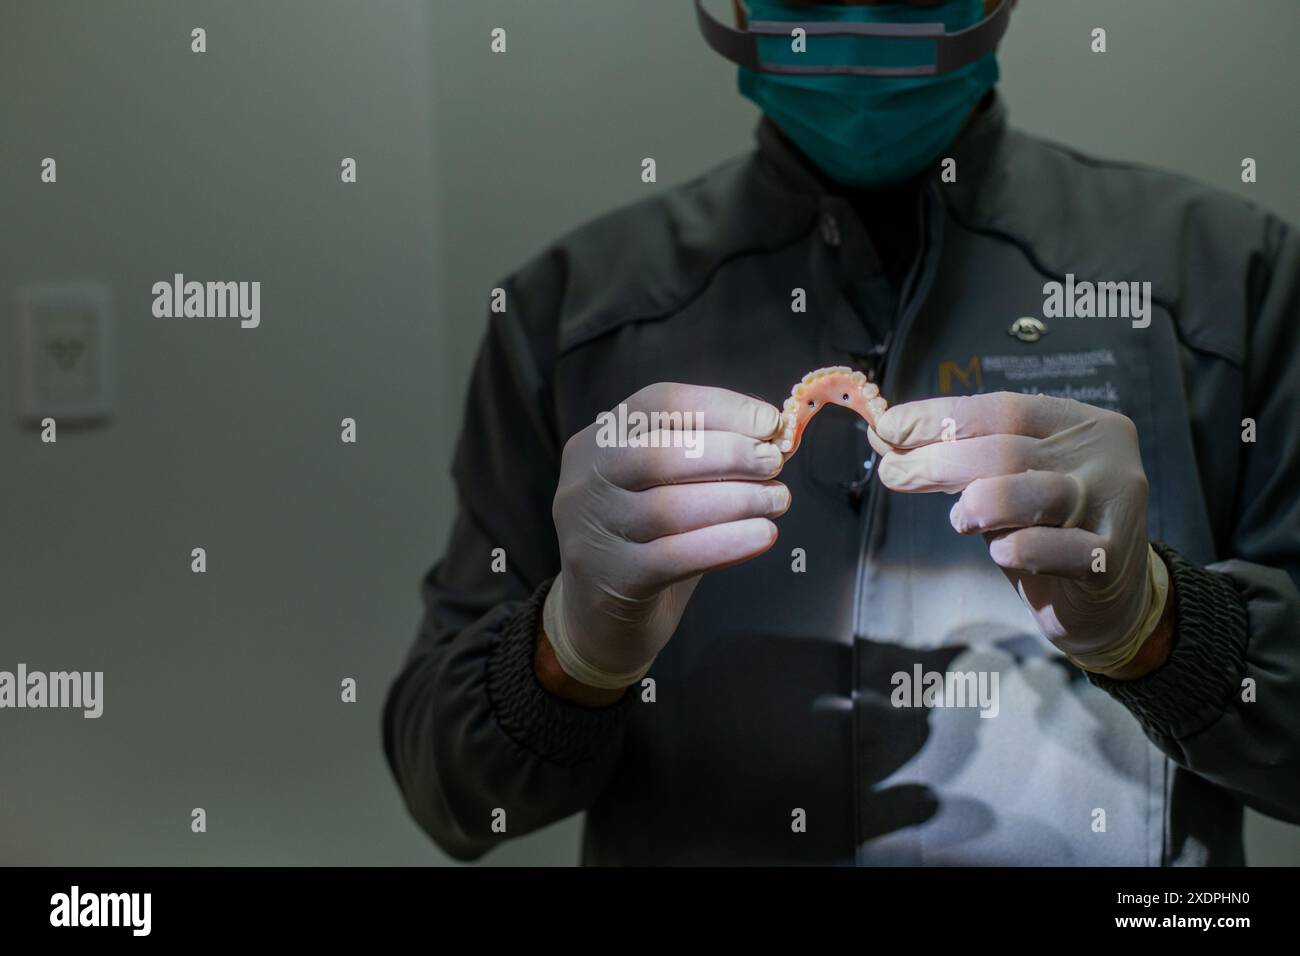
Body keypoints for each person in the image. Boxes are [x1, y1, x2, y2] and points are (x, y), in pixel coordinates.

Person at [383, 0, 1300, 864]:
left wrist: (1163, 628)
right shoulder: (570, 315)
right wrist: (567, 654)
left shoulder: (1231, 282)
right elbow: (450, 792)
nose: (859, 21)